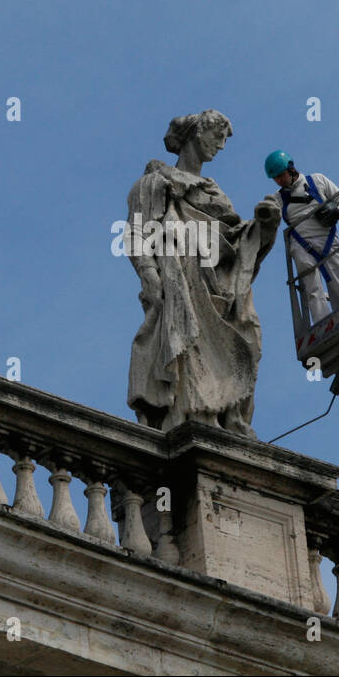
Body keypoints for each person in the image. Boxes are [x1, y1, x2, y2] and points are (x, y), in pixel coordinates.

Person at [126, 111, 280, 436]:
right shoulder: (156, 183)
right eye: (217, 137)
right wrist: (148, 272)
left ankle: (225, 417)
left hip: (218, 285)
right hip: (180, 277)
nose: (221, 146)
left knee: (237, 343)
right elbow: (138, 234)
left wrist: (264, 227)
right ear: (196, 133)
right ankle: (187, 419)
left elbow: (236, 243)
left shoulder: (214, 193)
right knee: (186, 344)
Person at [265, 150, 339, 325]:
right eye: (275, 179)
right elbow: (265, 214)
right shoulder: (278, 199)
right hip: (301, 244)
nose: (279, 181)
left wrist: (337, 211)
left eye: (280, 176)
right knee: (312, 290)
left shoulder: (317, 181)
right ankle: (324, 325)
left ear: (291, 169)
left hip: (327, 239)